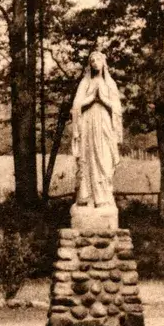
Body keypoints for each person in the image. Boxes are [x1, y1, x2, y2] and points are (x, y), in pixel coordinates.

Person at [70, 51, 123, 209]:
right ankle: (87, 196)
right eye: (91, 60)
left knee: (104, 158)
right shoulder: (85, 83)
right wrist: (91, 99)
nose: (94, 62)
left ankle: (104, 197)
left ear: (103, 62)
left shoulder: (109, 83)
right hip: (88, 124)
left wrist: (103, 100)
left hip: (104, 124)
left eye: (97, 59)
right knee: (88, 157)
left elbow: (117, 108)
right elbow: (76, 107)